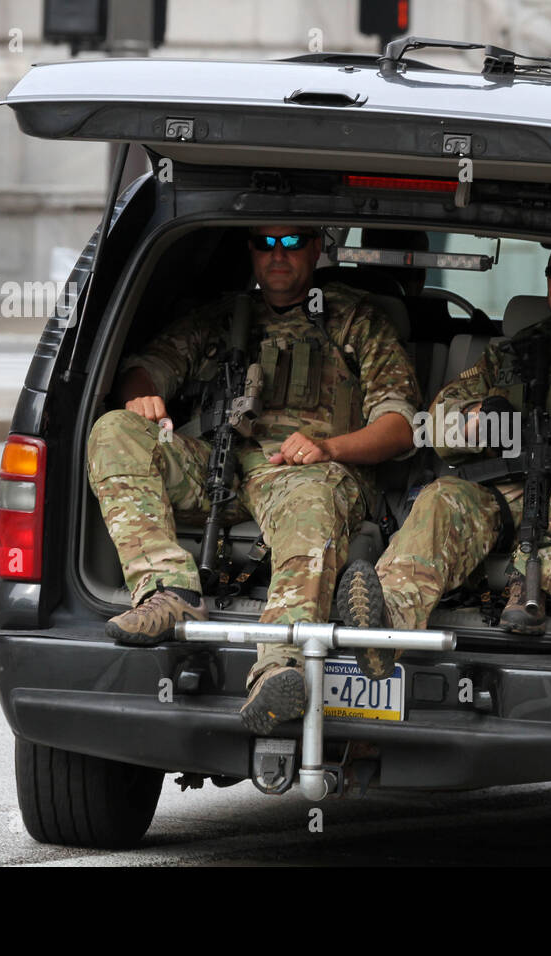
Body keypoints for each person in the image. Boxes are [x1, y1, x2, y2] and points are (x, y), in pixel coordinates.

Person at [85, 224, 421, 732]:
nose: (278, 255)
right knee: (114, 430)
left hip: (310, 473)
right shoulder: (225, 318)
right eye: (266, 243)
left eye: (292, 243)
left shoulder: (354, 321)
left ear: (315, 248)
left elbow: (400, 428)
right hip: (222, 467)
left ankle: (277, 665)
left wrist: (328, 446)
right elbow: (149, 367)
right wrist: (142, 395)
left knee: (311, 500)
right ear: (251, 251)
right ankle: (169, 591)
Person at [334, 244, 551, 677]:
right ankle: (386, 623)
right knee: (442, 496)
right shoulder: (510, 355)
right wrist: (480, 415)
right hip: (509, 490)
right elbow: (436, 421)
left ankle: (530, 580)